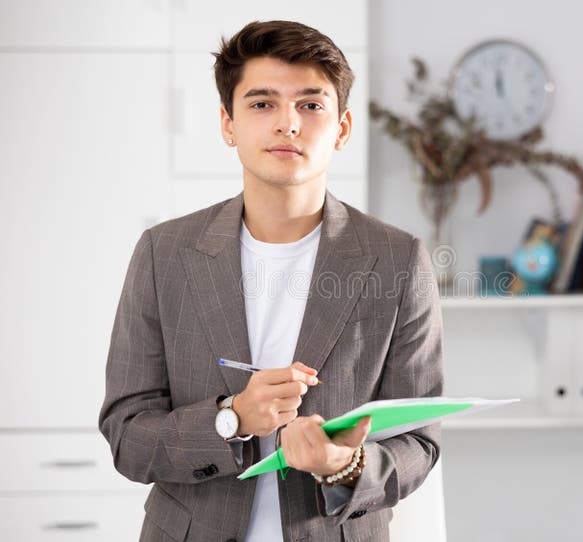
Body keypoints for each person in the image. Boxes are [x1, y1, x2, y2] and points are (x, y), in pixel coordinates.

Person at [99, 19, 444, 542]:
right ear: (228, 123)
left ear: (343, 128)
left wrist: (343, 465)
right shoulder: (163, 254)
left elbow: (419, 441)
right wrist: (231, 418)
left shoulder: (399, 260)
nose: (289, 123)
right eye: (262, 104)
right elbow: (127, 436)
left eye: (311, 104)